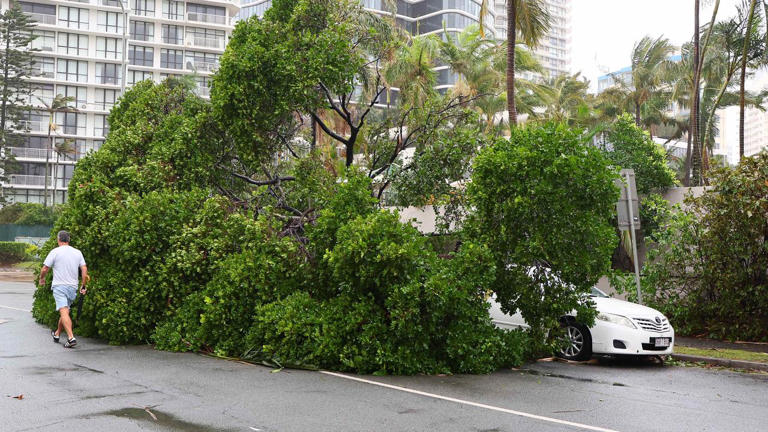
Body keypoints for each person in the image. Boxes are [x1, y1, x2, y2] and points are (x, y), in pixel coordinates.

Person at [38, 231, 87, 348]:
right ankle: (57, 334)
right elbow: (84, 269)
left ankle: (71, 338)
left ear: (58, 239)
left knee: (64, 312)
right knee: (65, 311)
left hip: (59, 286)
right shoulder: (77, 252)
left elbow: (45, 268)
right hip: (73, 287)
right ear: (68, 240)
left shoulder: (55, 252)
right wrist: (83, 285)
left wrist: (42, 279)